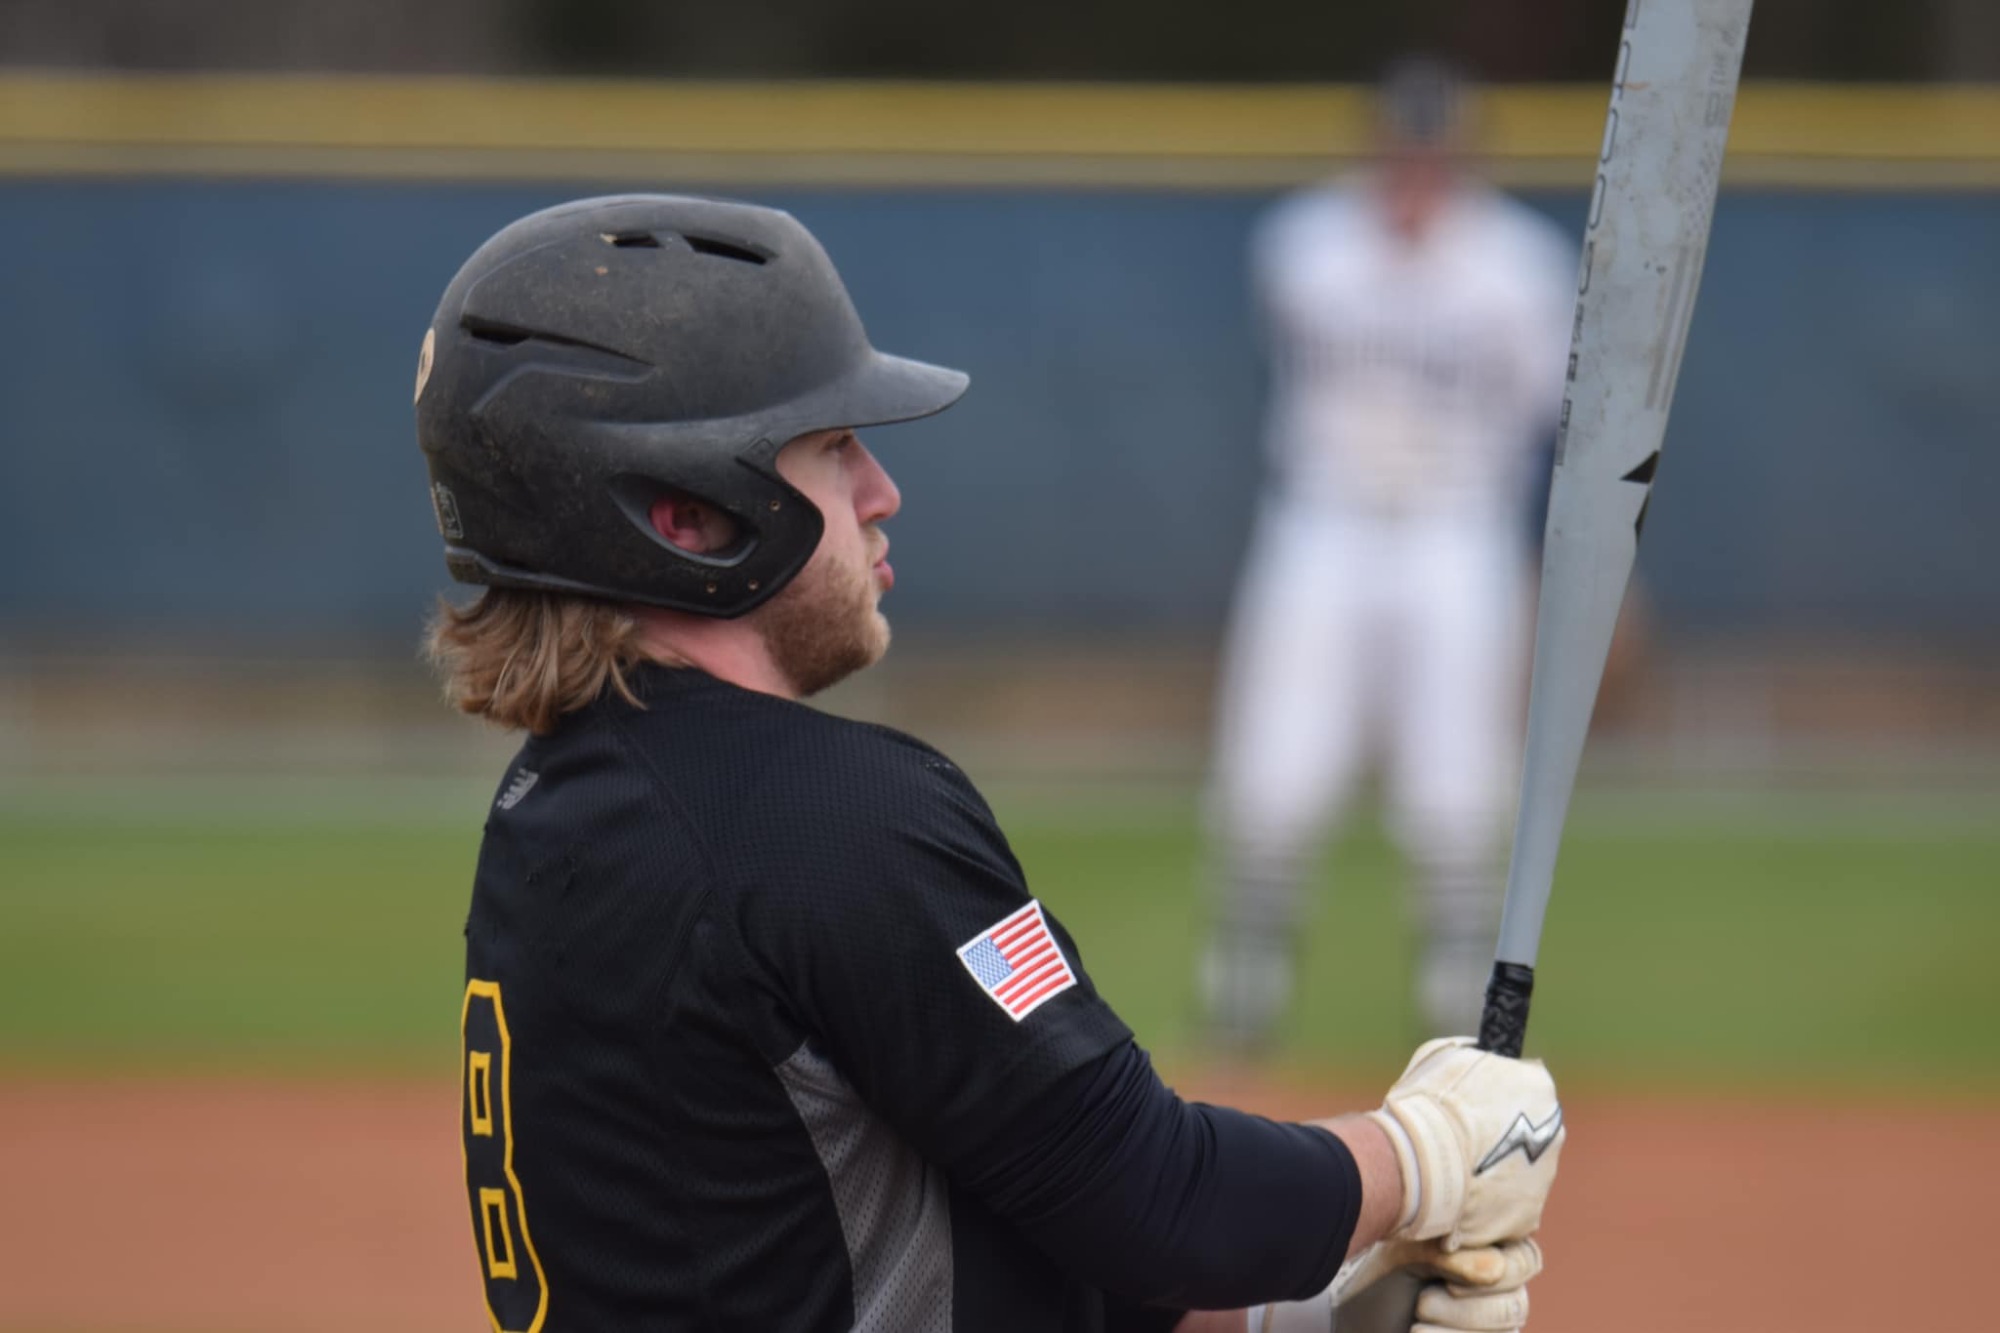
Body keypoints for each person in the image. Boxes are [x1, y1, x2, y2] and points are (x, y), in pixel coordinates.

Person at [416, 193, 1564, 1333]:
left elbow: (893, 1227)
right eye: (830, 448)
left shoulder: (555, 812)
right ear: (690, 516)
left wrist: (1298, 1323)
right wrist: (1422, 1152)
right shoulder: (827, 819)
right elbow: (1155, 1196)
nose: (881, 493)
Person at [1202, 59, 1580, 1046]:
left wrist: (1549, 568)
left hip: (1455, 529)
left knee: (1456, 775)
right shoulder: (1302, 245)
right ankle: (1245, 977)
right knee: (1274, 760)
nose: (1413, 170)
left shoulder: (1517, 266)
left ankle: (1460, 1000)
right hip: (1321, 521)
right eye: (1400, 149)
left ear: (1460, 158)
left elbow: (1549, 425)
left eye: (1431, 151)